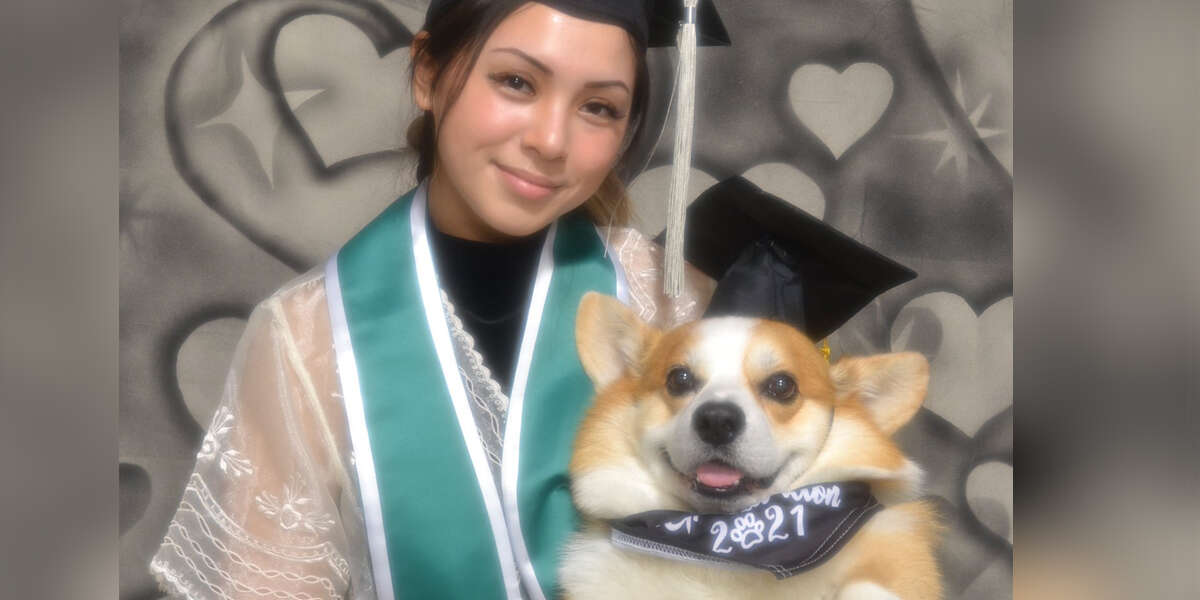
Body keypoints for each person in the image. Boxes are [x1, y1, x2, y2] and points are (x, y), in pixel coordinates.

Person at [149, 1, 727, 598]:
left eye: (598, 108)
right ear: (427, 72)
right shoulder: (311, 338)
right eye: (516, 82)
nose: (551, 141)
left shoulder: (665, 298)